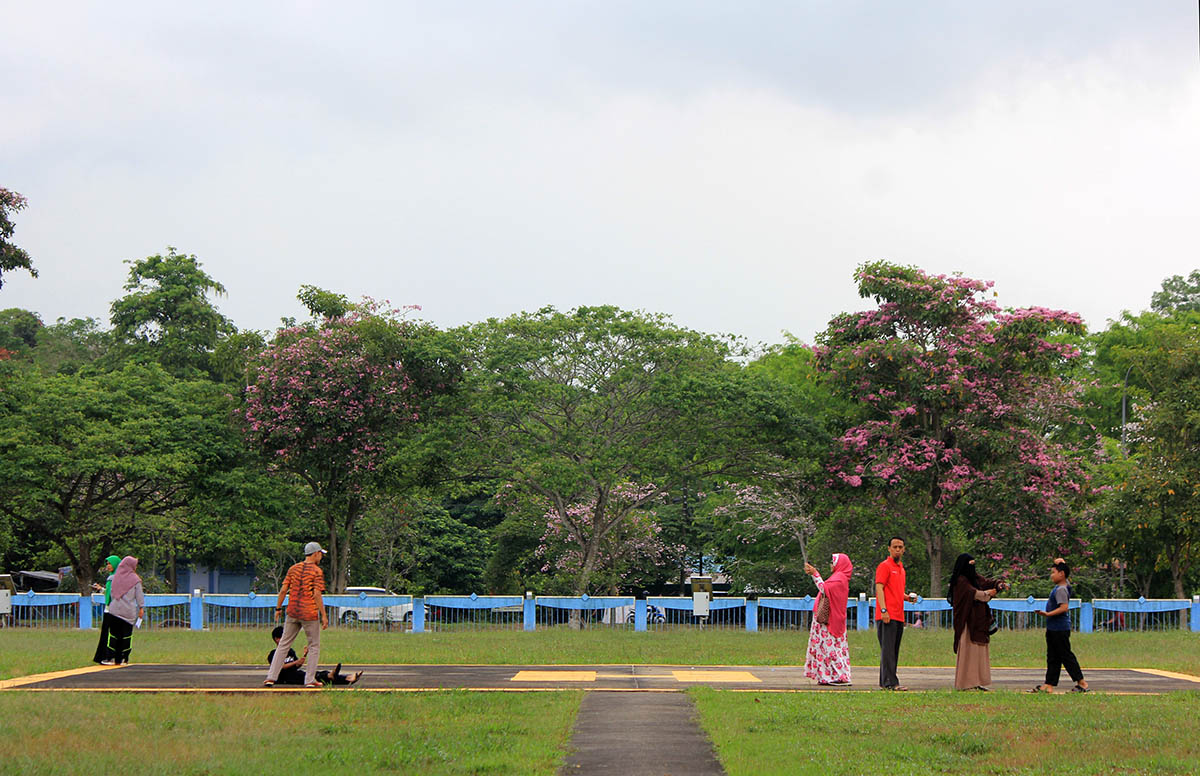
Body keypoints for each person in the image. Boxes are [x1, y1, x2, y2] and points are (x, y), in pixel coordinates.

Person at [264, 541, 328, 688]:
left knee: (283, 644)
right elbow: (317, 594)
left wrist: (278, 608)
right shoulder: (317, 571)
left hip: (292, 611)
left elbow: (283, 590)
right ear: (315, 553)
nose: (321, 556)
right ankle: (309, 680)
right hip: (309, 613)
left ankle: (271, 677)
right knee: (314, 646)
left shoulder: (293, 569)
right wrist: (324, 615)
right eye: (320, 554)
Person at [1030, 560, 1089, 693]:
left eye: (1053, 572)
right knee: (1053, 657)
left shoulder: (1061, 589)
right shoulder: (1062, 587)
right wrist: (1062, 562)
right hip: (1053, 628)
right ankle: (1049, 684)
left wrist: (1048, 614)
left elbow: (1064, 607)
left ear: (1061, 574)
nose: (1051, 575)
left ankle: (1082, 683)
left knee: (1065, 656)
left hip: (1059, 628)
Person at [948, 553, 1004, 690]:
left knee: (978, 653)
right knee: (968, 653)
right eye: (970, 565)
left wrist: (998, 584)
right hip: (967, 622)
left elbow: (986, 582)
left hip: (977, 622)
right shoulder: (961, 581)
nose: (972, 568)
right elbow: (974, 594)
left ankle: (976, 682)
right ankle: (965, 684)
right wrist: (989, 593)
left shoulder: (973, 578)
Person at [875, 536, 918, 690]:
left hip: (899, 615)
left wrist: (907, 598)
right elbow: (879, 588)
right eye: (895, 547)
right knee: (888, 650)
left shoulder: (901, 569)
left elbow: (895, 590)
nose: (898, 550)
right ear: (889, 549)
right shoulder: (885, 566)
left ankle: (886, 681)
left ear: (904, 549)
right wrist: (883, 610)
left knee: (893, 650)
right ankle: (891, 682)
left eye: (900, 547)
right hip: (887, 614)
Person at [803, 553, 853, 685]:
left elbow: (824, 588)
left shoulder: (839, 579)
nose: (831, 565)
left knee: (831, 648)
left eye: (833, 562)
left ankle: (839, 675)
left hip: (830, 620)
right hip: (829, 618)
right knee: (824, 648)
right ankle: (826, 675)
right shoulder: (838, 577)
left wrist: (815, 574)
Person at [268, 625, 362, 686]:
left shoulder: (291, 651)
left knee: (317, 676)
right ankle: (343, 677)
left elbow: (296, 665)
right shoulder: (273, 654)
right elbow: (280, 666)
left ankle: (346, 678)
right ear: (277, 639)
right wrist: (295, 662)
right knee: (317, 676)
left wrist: (302, 658)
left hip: (296, 674)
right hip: (286, 678)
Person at [99, 556, 145, 665]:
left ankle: (111, 658)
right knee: (126, 635)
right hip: (129, 612)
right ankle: (124, 658)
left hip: (114, 611)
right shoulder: (136, 580)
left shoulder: (114, 578)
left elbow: (110, 594)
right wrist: (141, 608)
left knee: (114, 635)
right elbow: (139, 596)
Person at [91, 554, 121, 664]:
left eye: (110, 564)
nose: (108, 566)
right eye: (107, 564)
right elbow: (109, 593)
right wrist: (101, 589)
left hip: (114, 610)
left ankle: (109, 656)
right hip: (108, 609)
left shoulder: (118, 578)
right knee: (106, 633)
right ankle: (104, 656)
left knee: (111, 634)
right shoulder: (111, 577)